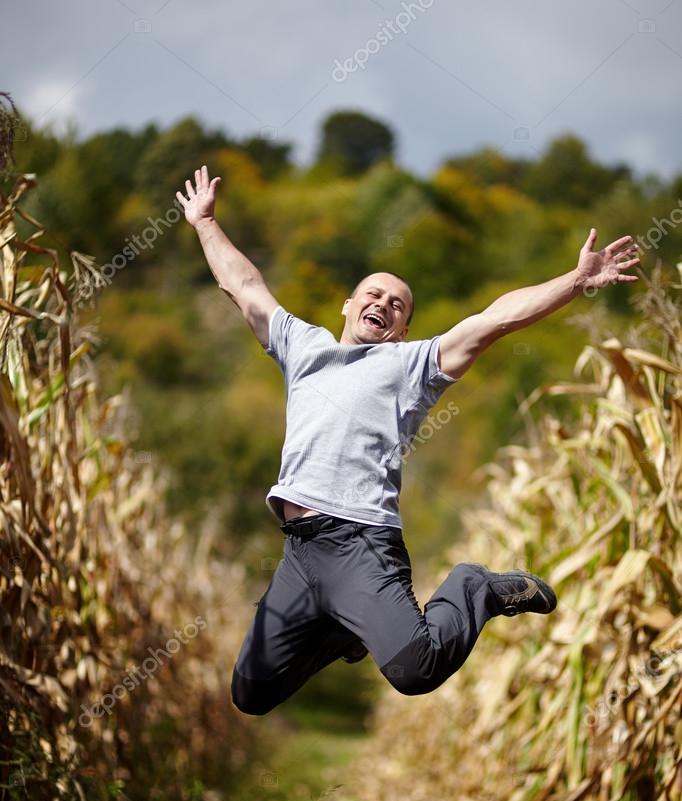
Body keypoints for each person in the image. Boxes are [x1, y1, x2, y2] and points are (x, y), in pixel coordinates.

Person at [176, 165, 640, 717]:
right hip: (301, 551)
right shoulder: (304, 347)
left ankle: (477, 588)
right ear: (349, 305)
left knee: (416, 670)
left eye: (398, 305)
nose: (384, 304)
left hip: (362, 542)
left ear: (402, 328)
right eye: (373, 294)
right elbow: (245, 287)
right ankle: (344, 629)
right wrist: (204, 223)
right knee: (251, 694)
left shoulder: (411, 363)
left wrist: (574, 281)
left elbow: (494, 321)